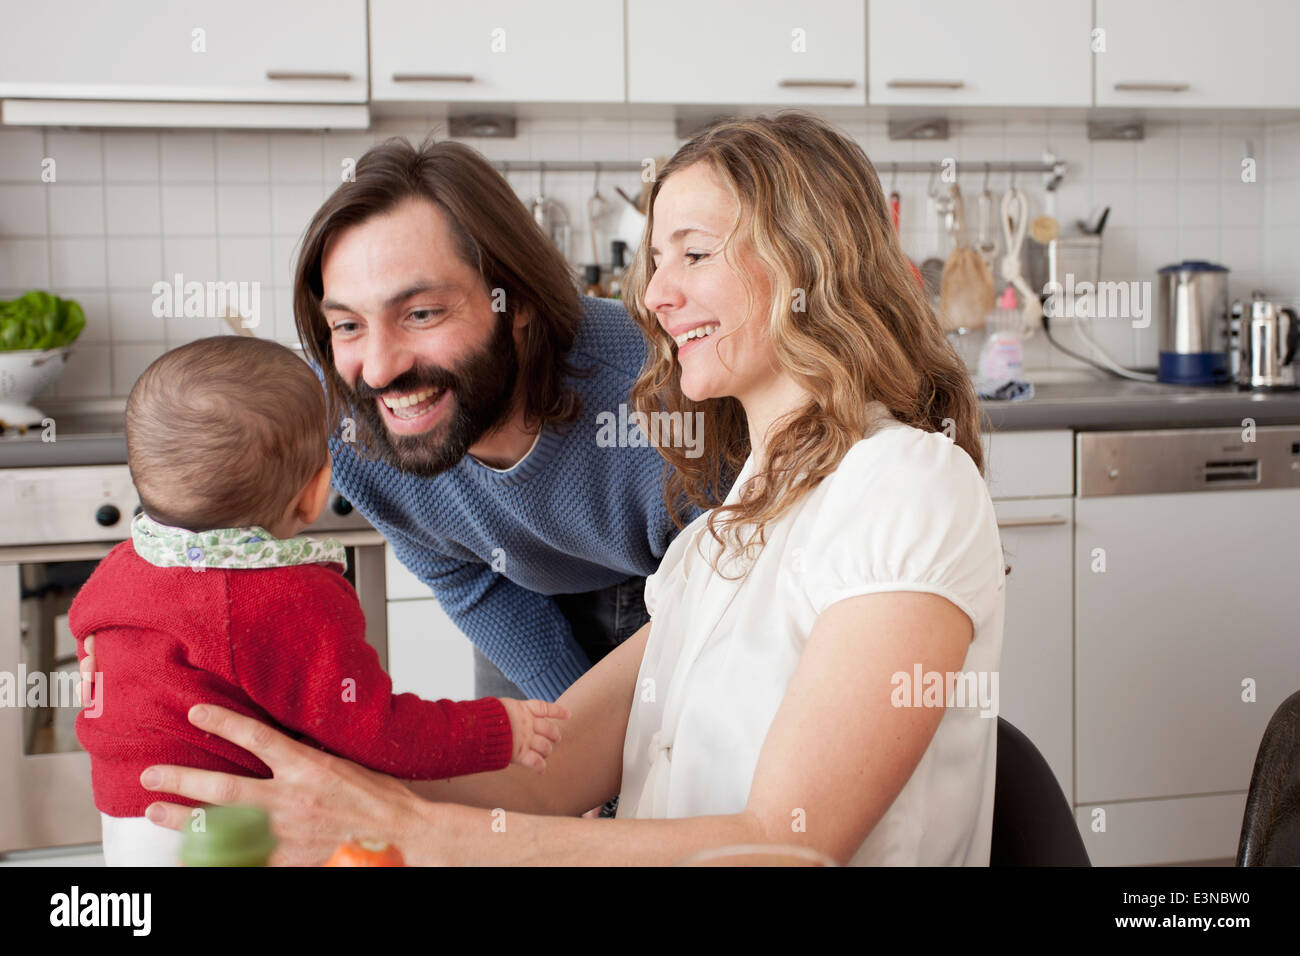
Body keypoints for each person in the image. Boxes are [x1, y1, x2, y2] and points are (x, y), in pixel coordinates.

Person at [128, 112, 1006, 865]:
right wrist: (316, 776)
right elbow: (547, 767)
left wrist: (418, 831)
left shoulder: (904, 486)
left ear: (812, 266)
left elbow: (783, 844)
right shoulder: (720, 537)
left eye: (694, 253)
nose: (656, 294)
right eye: (656, 259)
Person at [70, 335, 567, 866]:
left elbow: (93, 646)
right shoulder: (289, 597)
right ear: (314, 492)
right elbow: (378, 732)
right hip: (238, 831)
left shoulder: (121, 568)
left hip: (128, 829)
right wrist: (497, 729)